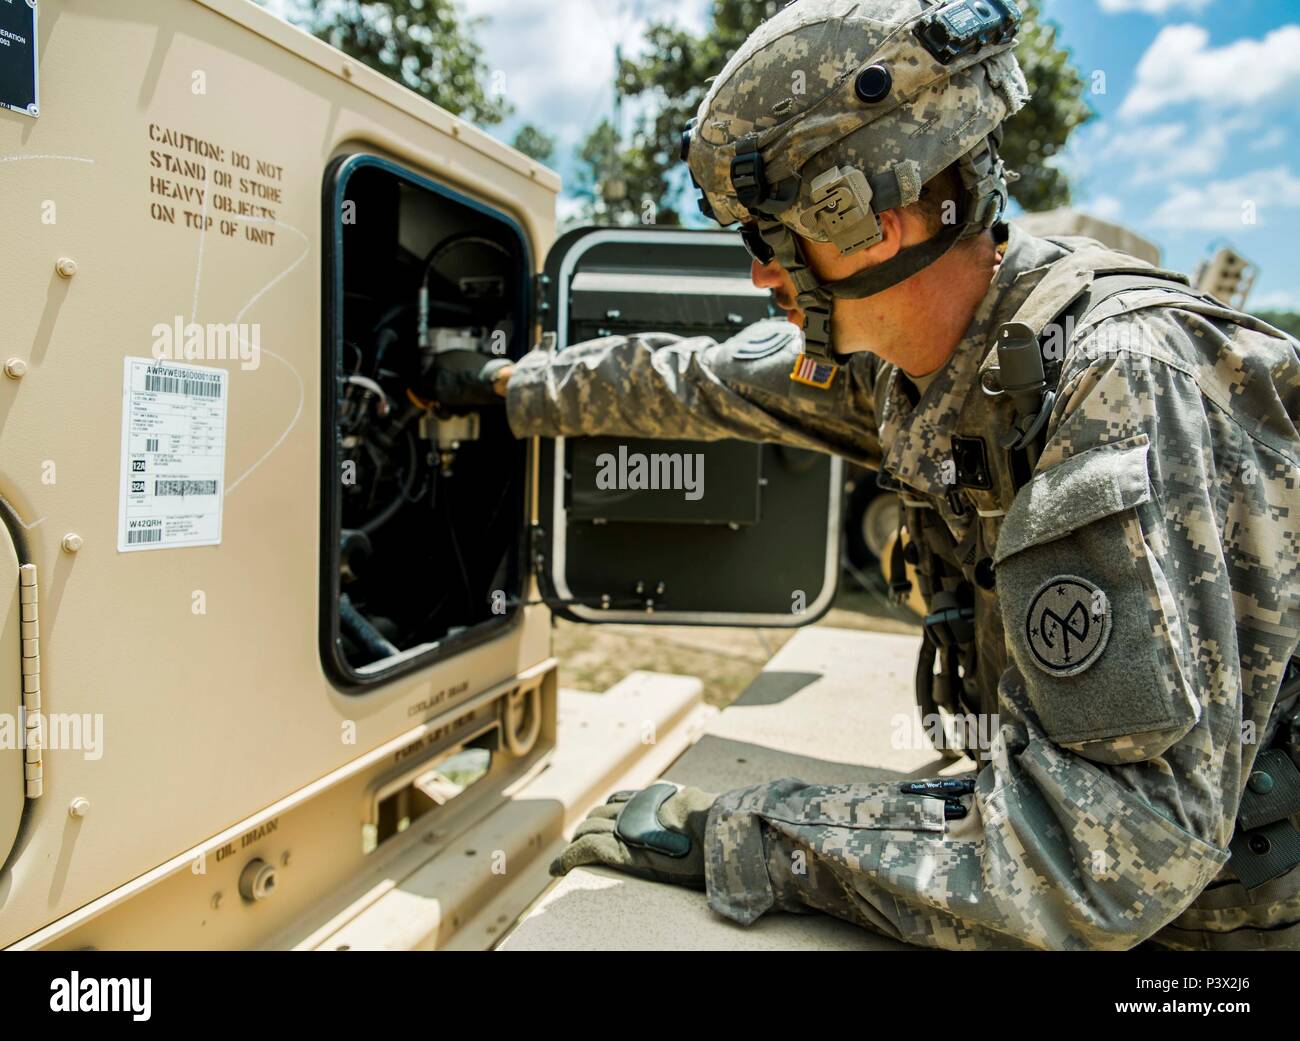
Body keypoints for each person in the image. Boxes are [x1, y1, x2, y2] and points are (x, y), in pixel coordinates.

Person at [437, 0, 1300, 949]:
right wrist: (503, 386)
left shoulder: (1119, 378)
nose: (761, 276)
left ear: (862, 220)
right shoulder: (912, 366)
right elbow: (700, 380)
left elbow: (1108, 855)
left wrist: (755, 836)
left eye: (766, 239)